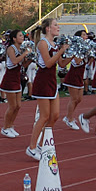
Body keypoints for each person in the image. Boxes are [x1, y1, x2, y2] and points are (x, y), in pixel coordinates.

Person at [25, 18, 69, 160]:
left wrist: (73, 54)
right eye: (55, 25)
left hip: (51, 81)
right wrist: (61, 50)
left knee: (55, 115)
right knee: (44, 116)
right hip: (43, 81)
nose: (58, 27)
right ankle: (31, 147)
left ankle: (42, 143)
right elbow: (49, 63)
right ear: (48, 28)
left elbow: (61, 64)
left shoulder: (54, 44)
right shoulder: (43, 43)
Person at [0, 29, 31, 137]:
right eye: (20, 36)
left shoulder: (21, 49)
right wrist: (25, 53)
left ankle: (11, 125)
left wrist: (30, 58)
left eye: (23, 36)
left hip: (17, 78)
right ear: (14, 38)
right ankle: (5, 127)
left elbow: (23, 65)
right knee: (12, 106)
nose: (22, 37)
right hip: (10, 78)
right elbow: (14, 61)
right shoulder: (11, 48)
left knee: (18, 106)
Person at [62, 30, 89, 130]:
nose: (86, 36)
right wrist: (84, 52)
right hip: (73, 77)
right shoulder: (74, 50)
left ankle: (69, 116)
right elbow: (77, 61)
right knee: (74, 99)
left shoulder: (84, 48)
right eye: (83, 35)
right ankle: (69, 118)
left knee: (79, 99)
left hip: (79, 77)